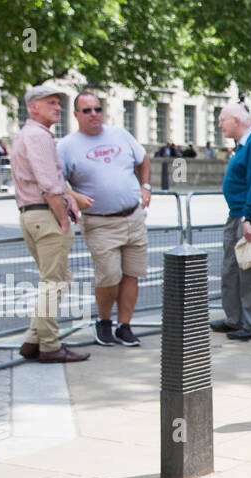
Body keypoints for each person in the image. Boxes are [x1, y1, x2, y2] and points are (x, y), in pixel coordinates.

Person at [58, 90, 153, 348]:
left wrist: (146, 186)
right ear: (76, 114)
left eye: (97, 109)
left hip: (133, 217)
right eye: (87, 110)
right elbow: (55, 180)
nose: (93, 115)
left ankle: (125, 326)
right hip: (100, 222)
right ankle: (103, 322)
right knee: (109, 276)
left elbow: (143, 159)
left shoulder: (120, 135)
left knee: (132, 274)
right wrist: (74, 195)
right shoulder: (66, 146)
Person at [10, 85, 88, 364]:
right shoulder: (38, 137)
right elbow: (49, 184)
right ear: (33, 107)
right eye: (51, 103)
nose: (58, 107)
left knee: (55, 281)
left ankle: (33, 340)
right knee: (54, 283)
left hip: (31, 214)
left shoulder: (27, 135)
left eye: (59, 103)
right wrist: (62, 219)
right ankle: (50, 345)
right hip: (45, 214)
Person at [207, 102, 251, 342]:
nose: (220, 125)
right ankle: (235, 318)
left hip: (249, 214)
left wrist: (249, 217)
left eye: (222, 120)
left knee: (250, 272)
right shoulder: (247, 143)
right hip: (239, 213)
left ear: (235, 120)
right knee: (232, 270)